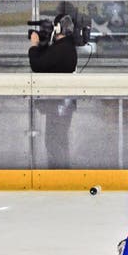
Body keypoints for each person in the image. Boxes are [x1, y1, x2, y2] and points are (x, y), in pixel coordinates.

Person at [28, 12, 78, 169]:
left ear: (57, 28)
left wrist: (34, 46)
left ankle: (58, 172)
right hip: (61, 102)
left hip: (58, 103)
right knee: (57, 139)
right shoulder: (65, 47)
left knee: (54, 140)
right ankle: (59, 171)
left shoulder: (62, 48)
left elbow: (38, 65)